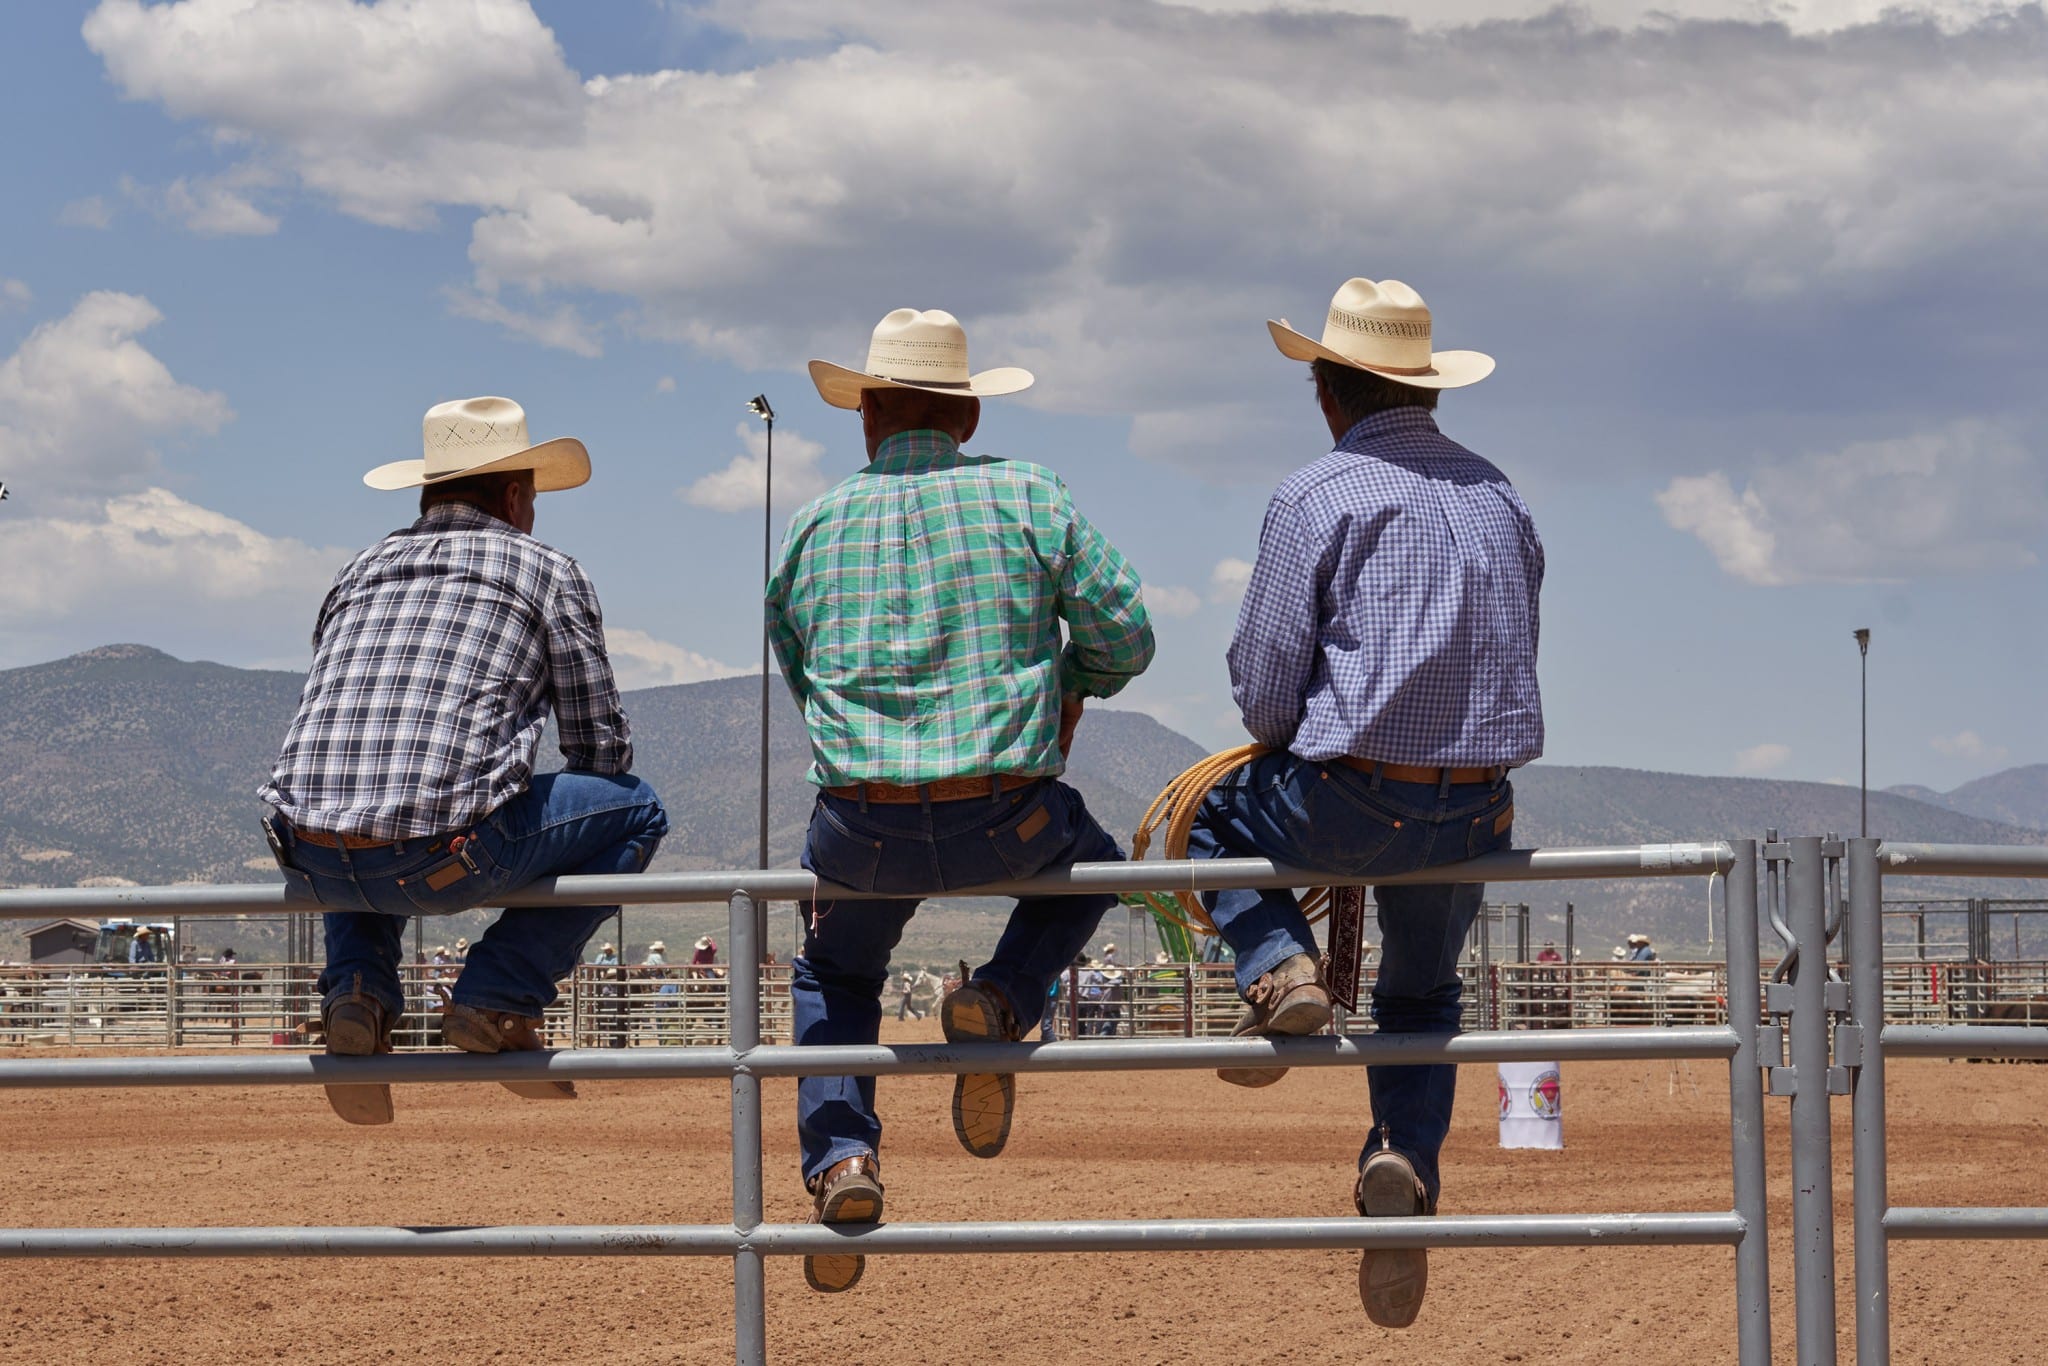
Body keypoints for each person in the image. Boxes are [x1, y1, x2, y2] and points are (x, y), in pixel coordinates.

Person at [768, 307, 1155, 1294]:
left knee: (834, 975)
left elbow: (802, 674)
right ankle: (1001, 997)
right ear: (968, 417)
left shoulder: (809, 526)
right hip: (1005, 811)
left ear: (865, 415)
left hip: (861, 823)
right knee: (1094, 865)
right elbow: (1126, 636)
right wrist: (1070, 687)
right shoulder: (1027, 494)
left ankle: (843, 1161)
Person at [1181, 278, 1540, 1329]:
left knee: (1212, 817)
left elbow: (1264, 683)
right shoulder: (1499, 494)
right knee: (1421, 996)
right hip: (1474, 806)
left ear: (1326, 390)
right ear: (1427, 390)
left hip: (1352, 797)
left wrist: (1308, 737)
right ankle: (1401, 1157)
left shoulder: (1318, 495)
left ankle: (1280, 967)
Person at [257, 396, 670, 1126]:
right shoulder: (546, 570)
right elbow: (600, 748)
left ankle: (356, 992)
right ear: (513, 496)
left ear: (428, 491)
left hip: (308, 852)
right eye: (533, 498)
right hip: (444, 857)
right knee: (638, 808)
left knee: (360, 801)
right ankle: (500, 994)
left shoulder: (361, 568)